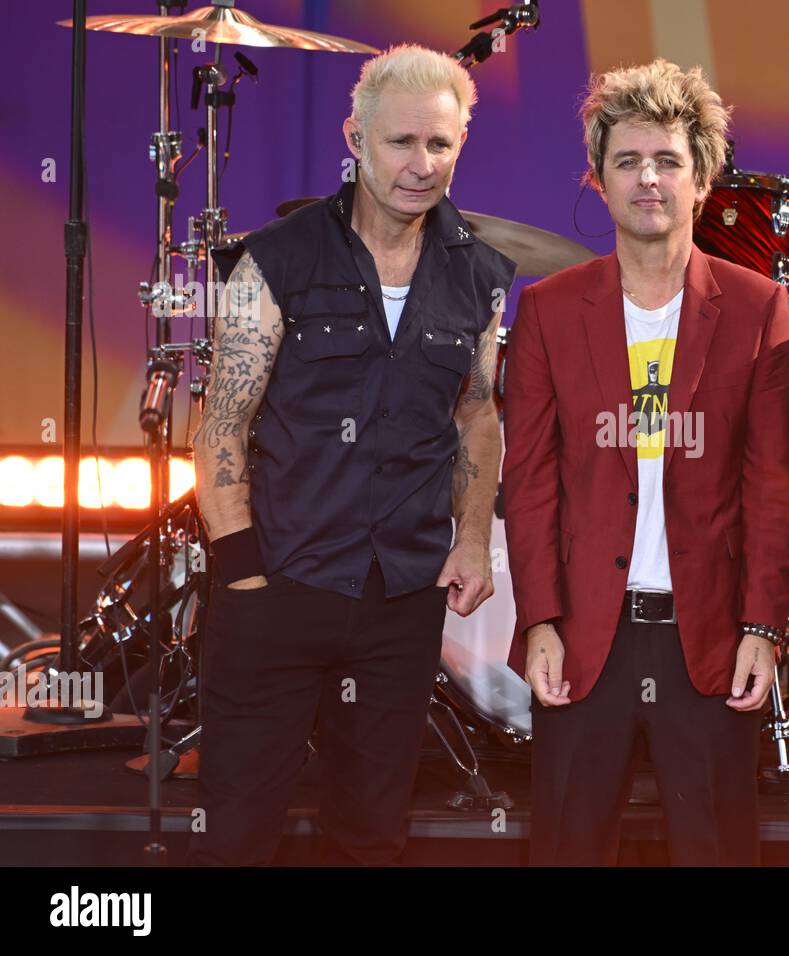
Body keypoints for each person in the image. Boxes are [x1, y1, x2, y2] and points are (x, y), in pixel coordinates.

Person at [189, 45, 515, 865]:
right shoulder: (278, 259)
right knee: (239, 832)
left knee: (371, 835)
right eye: (401, 143)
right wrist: (244, 571)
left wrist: (472, 540)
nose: (420, 164)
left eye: (440, 145)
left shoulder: (478, 276)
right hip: (279, 585)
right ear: (356, 137)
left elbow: (478, 415)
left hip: (400, 602)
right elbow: (221, 422)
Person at [502, 59, 789, 866]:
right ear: (598, 180)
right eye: (628, 161)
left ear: (702, 179)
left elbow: (774, 488)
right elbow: (527, 481)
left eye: (668, 161)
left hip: (707, 639)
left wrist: (762, 625)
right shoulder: (547, 309)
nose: (648, 179)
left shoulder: (756, 308)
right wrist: (537, 619)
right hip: (580, 636)